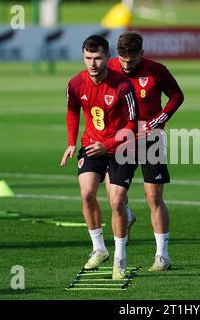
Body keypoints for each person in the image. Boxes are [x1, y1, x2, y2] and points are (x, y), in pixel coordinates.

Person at [60, 35, 138, 279]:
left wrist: (108, 144)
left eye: (97, 58)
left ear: (107, 58)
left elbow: (133, 125)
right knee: (86, 194)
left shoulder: (123, 87)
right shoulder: (75, 84)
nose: (92, 63)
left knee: (116, 202)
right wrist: (72, 143)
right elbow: (72, 111)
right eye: (87, 58)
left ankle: (119, 259)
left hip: (121, 147)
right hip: (91, 146)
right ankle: (99, 249)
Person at [108, 31, 184, 271]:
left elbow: (176, 96)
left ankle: (163, 256)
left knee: (154, 198)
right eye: (123, 61)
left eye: (132, 61)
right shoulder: (109, 68)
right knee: (116, 199)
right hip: (122, 141)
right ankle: (126, 221)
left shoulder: (156, 70)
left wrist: (158, 120)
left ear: (142, 53)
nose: (127, 65)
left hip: (151, 139)